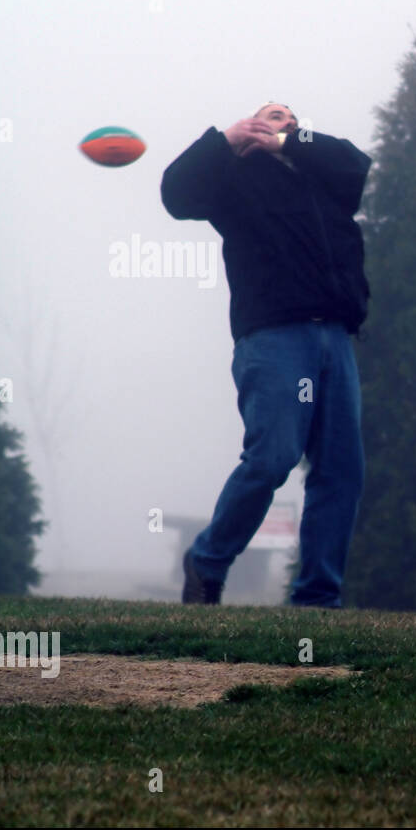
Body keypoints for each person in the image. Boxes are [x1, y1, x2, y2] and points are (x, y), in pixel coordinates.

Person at [161, 103, 373, 608]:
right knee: (272, 457)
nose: (285, 120)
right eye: (272, 114)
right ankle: (208, 560)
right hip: (274, 337)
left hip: (336, 338)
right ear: (253, 127)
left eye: (292, 118)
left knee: (340, 470)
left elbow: (355, 162)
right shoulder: (234, 180)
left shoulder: (325, 179)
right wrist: (226, 139)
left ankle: (317, 599)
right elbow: (175, 193)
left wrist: (290, 143)